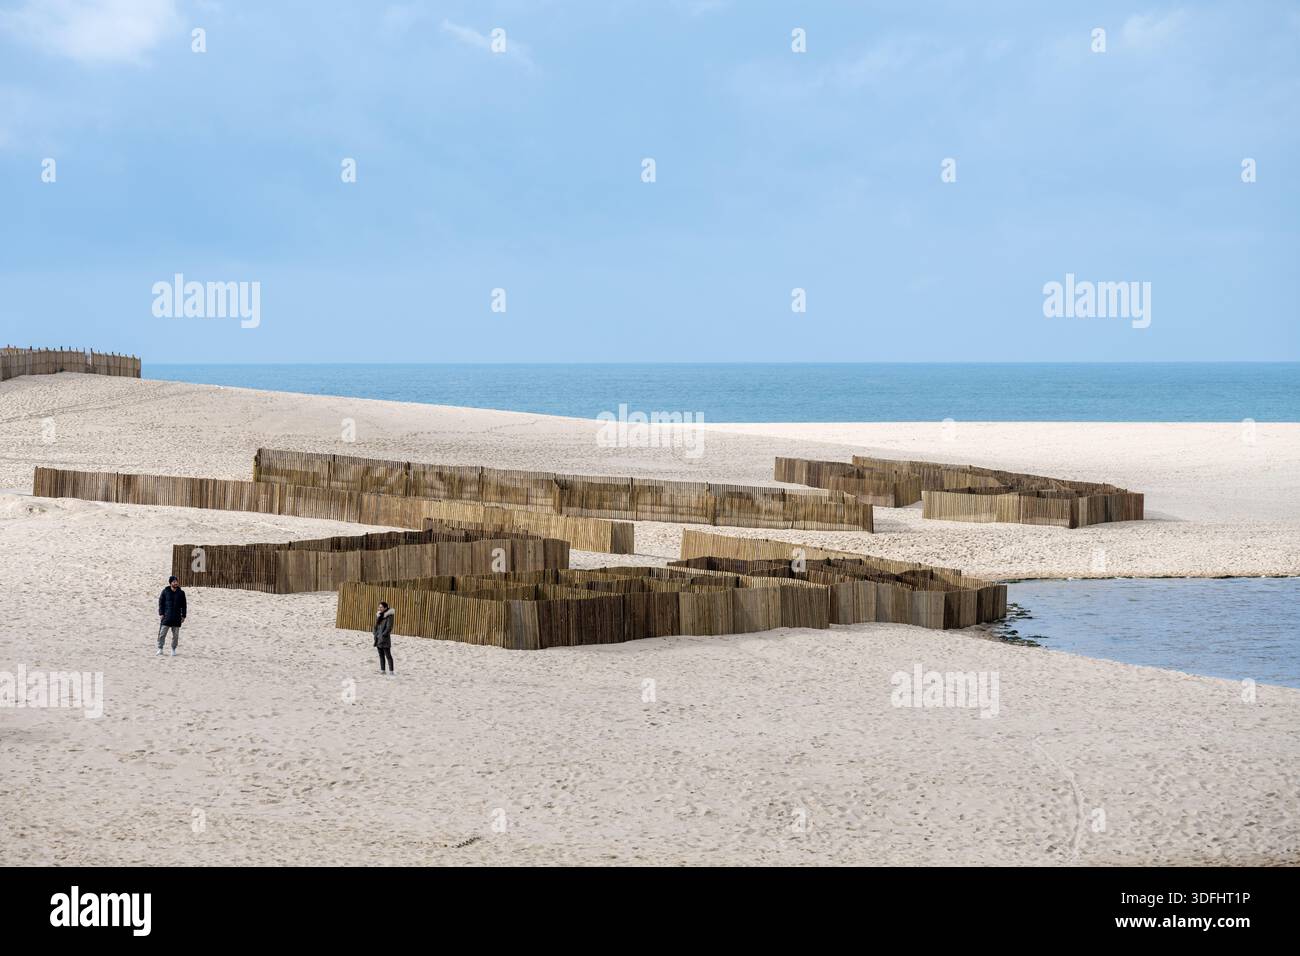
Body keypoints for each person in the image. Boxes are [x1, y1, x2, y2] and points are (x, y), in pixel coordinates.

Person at [157, 575, 187, 657]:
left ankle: (173, 649)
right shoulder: (165, 591)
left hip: (177, 618)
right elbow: (161, 603)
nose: (176, 583)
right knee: (162, 634)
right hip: (166, 617)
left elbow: (184, 605)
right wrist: (161, 613)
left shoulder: (181, 593)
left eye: (176, 581)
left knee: (176, 636)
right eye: (174, 582)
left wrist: (183, 616)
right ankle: (160, 649)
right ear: (170, 583)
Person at [373, 601, 395, 675]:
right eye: (379, 607)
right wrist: (375, 633)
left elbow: (389, 627)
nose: (380, 608)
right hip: (378, 638)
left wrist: (383, 634)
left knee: (388, 655)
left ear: (385, 608)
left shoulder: (389, 616)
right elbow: (375, 626)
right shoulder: (379, 615)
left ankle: (391, 671)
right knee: (381, 655)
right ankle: (383, 670)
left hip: (385, 639)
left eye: (381, 607)